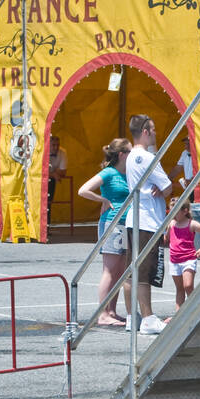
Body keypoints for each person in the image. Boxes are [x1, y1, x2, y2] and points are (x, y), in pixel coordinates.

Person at [123, 114, 171, 335]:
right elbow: (168, 187)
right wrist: (163, 189)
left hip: (136, 217)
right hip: (148, 219)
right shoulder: (148, 157)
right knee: (144, 271)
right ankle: (148, 317)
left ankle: (135, 316)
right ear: (145, 131)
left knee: (134, 270)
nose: (155, 133)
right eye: (152, 130)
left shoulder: (132, 155)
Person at [78, 138, 133, 327]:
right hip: (112, 223)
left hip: (126, 223)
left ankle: (112, 311)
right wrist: (102, 199)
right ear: (121, 155)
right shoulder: (109, 172)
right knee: (109, 270)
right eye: (130, 152)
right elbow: (83, 190)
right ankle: (102, 313)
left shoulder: (128, 173)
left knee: (119, 271)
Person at [166, 200, 200, 312]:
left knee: (188, 285)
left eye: (175, 211)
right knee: (179, 289)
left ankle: (196, 308)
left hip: (188, 259)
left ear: (185, 211)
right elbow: (166, 239)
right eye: (171, 211)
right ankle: (178, 313)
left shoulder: (192, 224)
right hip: (174, 260)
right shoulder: (171, 224)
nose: (172, 214)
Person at [47, 134, 68, 221]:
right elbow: (39, 171)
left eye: (57, 145)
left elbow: (63, 172)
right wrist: (55, 174)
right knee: (40, 203)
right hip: (39, 180)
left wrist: (51, 174)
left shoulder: (62, 152)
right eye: (53, 145)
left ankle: (47, 227)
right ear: (49, 145)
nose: (56, 147)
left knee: (48, 202)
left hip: (51, 179)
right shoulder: (43, 151)